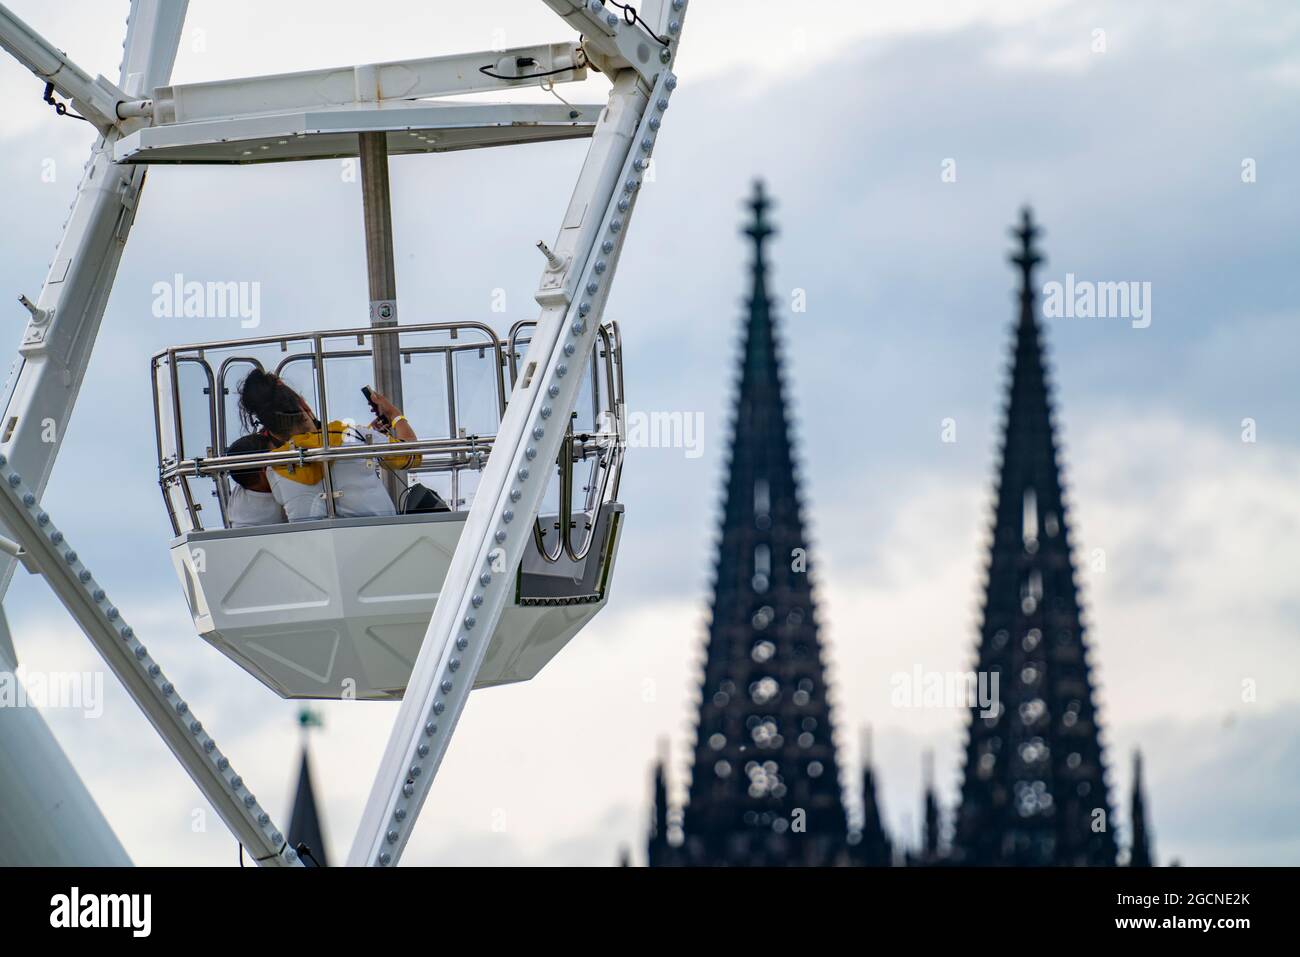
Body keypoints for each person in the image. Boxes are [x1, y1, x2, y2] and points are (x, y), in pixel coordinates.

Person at [236, 369, 420, 522]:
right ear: (303, 406)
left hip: (316, 553)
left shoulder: (272, 468)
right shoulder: (349, 435)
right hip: (380, 538)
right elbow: (412, 456)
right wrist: (395, 415)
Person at [224, 432, 287, 528]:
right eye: (278, 457)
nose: (286, 459)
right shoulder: (274, 512)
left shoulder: (245, 481)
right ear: (265, 470)